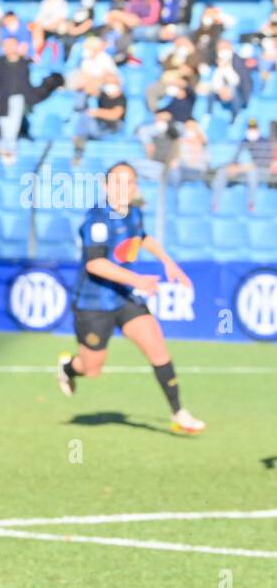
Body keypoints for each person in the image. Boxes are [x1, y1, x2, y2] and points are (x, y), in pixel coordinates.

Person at [57, 163, 206, 435]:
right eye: (118, 182)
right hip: (94, 303)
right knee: (91, 369)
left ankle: (179, 412)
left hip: (124, 296)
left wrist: (168, 262)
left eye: (130, 182)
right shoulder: (98, 220)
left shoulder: (133, 212)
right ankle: (69, 368)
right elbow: (95, 264)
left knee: (158, 349)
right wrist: (139, 281)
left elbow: (142, 237)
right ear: (105, 186)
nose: (124, 188)